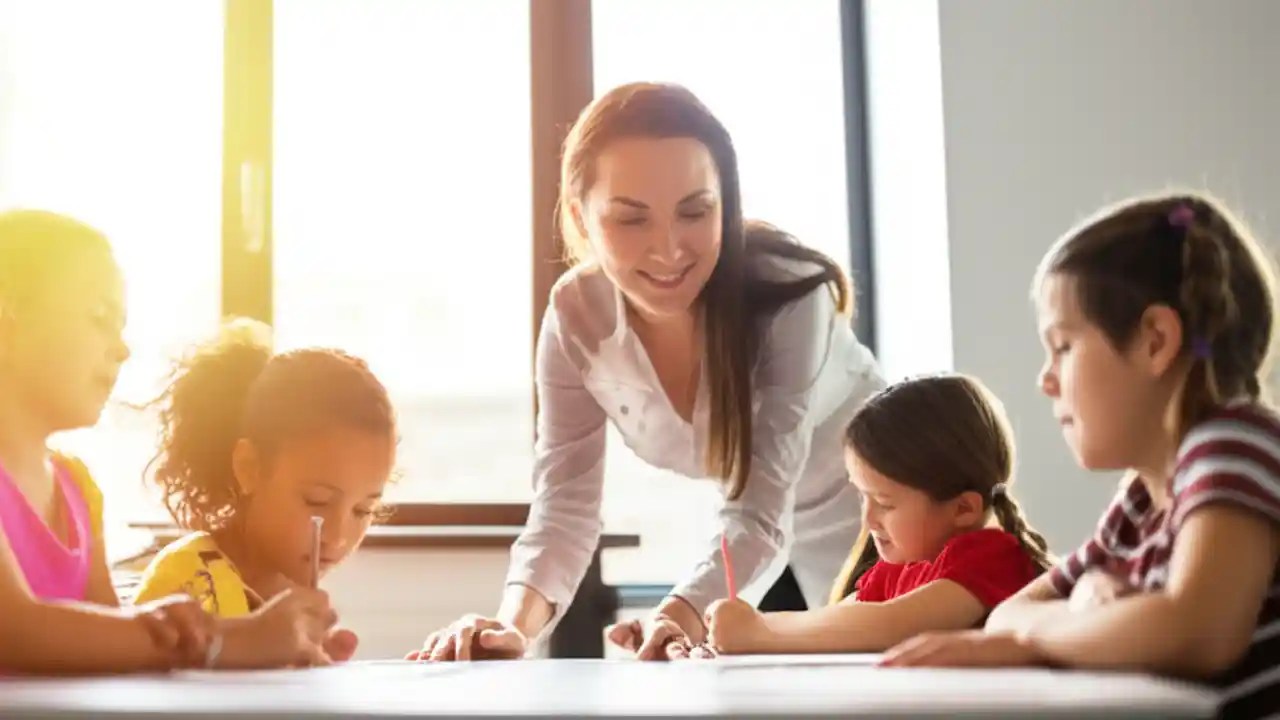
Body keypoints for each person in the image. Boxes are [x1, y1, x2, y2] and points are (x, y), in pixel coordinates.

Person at [412, 81, 884, 662]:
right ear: (581, 219)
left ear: (726, 208)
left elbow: (761, 513)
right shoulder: (575, 316)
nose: (667, 250)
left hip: (893, 523)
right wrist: (513, 628)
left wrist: (673, 615)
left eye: (695, 212)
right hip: (752, 554)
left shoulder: (787, 300)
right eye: (630, 220)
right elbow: (564, 510)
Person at [882, 192, 1280, 720]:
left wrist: (1041, 638)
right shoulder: (1142, 501)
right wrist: (1087, 600)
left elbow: (1196, 632)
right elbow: (1008, 614)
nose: (1045, 380)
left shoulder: (1233, 445)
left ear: (1155, 341)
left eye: (1063, 347)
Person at [0, 209, 336, 672]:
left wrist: (276, 655)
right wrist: (226, 639)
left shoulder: (77, 486)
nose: (122, 348)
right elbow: (13, 630)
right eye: (99, 318)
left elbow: (114, 652)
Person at [705, 374, 1049, 655]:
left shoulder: (993, 557)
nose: (868, 520)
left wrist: (760, 634)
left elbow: (893, 626)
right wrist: (744, 625)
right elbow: (832, 621)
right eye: (862, 498)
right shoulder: (895, 570)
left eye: (884, 503)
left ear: (963, 509)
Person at [133, 318, 397, 662]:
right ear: (250, 469)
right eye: (316, 501)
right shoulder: (185, 579)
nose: (338, 536)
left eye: (363, 511)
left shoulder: (297, 603)